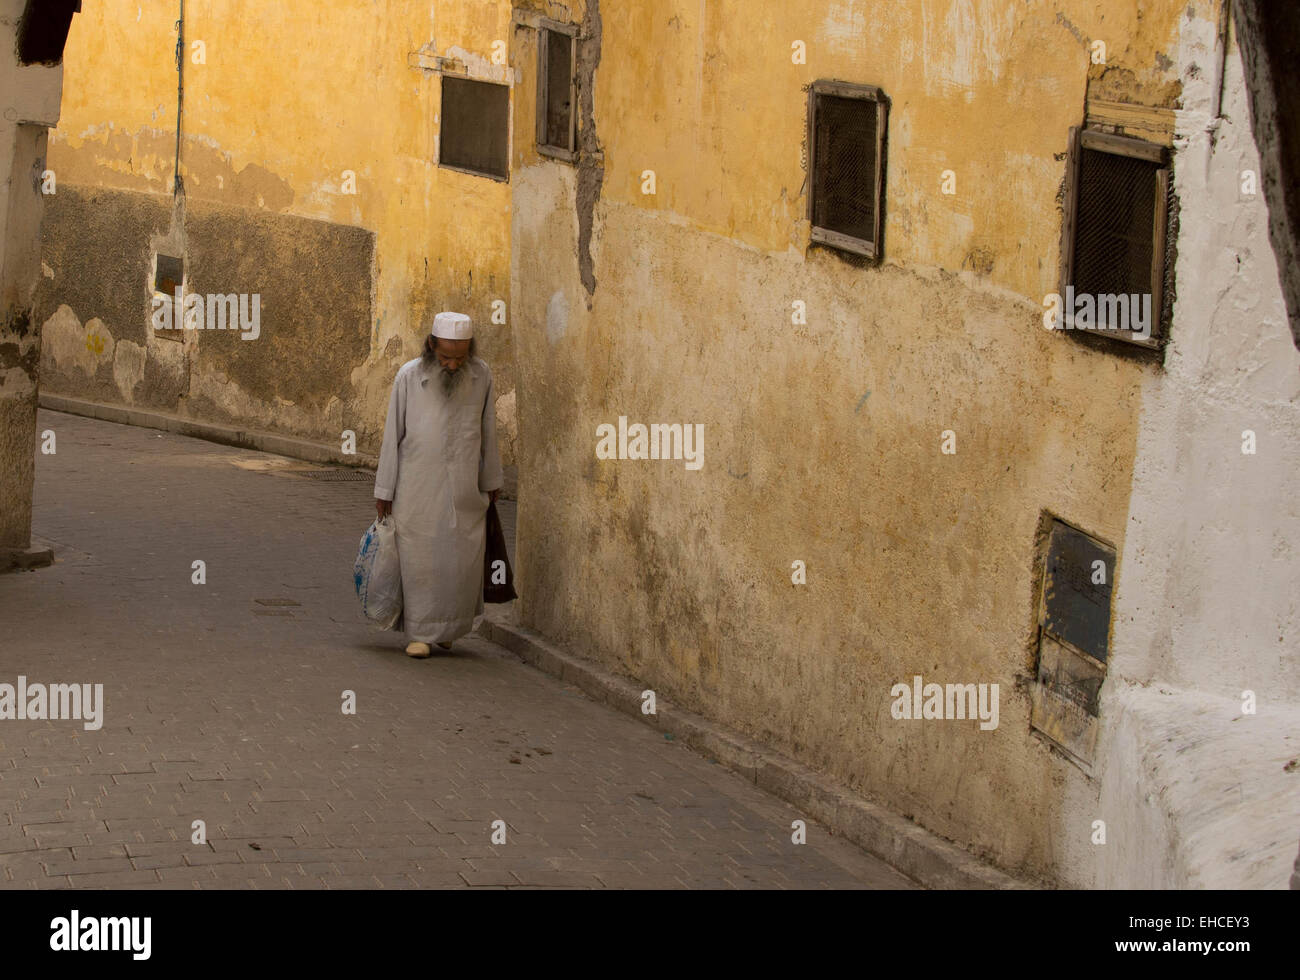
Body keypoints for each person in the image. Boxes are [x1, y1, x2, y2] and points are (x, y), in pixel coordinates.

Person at [374, 311, 503, 657]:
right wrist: (384, 491)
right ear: (431, 346)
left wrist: (491, 479)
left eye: (459, 358)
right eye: (445, 357)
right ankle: (418, 633)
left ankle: (448, 630)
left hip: (464, 485)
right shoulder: (408, 376)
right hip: (416, 485)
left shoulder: (482, 375)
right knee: (420, 558)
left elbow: (489, 430)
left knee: (460, 560)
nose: (450, 365)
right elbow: (392, 437)